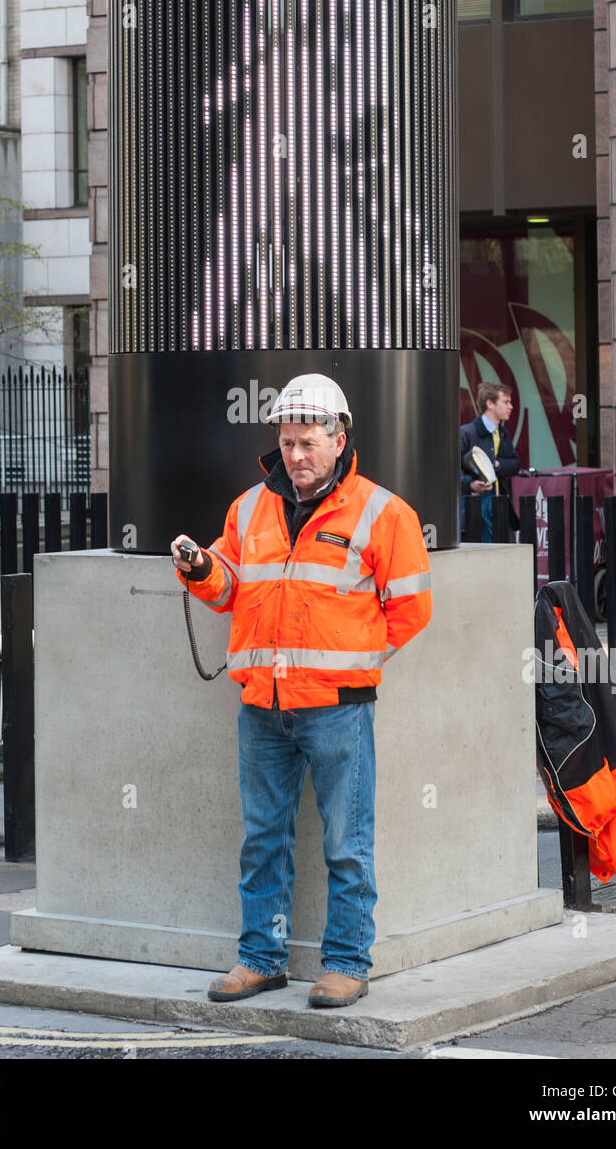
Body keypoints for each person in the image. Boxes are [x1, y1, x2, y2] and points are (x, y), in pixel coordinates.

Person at [171, 373, 432, 1008]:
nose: (295, 454)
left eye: (308, 441)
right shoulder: (248, 508)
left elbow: (412, 609)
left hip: (337, 710)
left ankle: (346, 963)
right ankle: (260, 958)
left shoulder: (383, 513)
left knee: (347, 842)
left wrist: (349, 667)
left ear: (339, 439)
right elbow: (231, 586)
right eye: (287, 441)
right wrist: (202, 570)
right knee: (263, 840)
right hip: (262, 706)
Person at [460, 382, 521, 542]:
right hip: (476, 508)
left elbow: (515, 464)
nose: (511, 407)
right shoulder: (467, 433)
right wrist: (471, 484)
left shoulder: (502, 433)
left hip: (501, 505)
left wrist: (496, 465)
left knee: (506, 554)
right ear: (490, 404)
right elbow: (451, 472)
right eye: (506, 402)